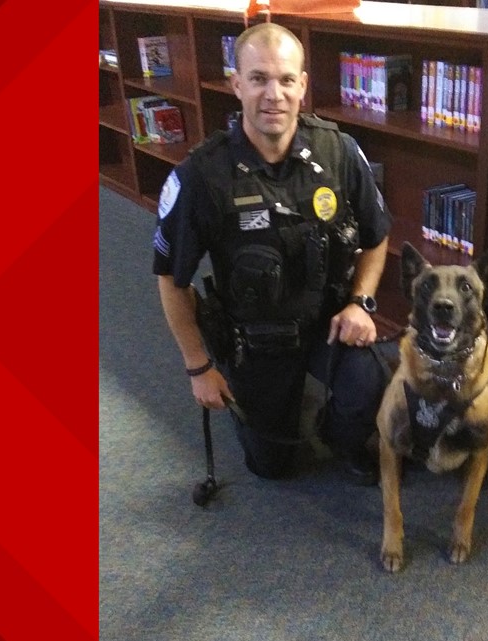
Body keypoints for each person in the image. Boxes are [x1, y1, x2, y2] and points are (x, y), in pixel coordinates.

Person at [152, 22, 391, 485]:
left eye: (286, 80)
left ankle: (338, 435)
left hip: (328, 320)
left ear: (303, 85)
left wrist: (360, 303)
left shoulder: (339, 152)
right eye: (259, 79)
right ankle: (249, 388)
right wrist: (198, 366)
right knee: (272, 467)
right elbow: (170, 278)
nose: (273, 95)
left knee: (368, 386)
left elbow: (377, 236)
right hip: (256, 336)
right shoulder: (202, 177)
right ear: (236, 84)